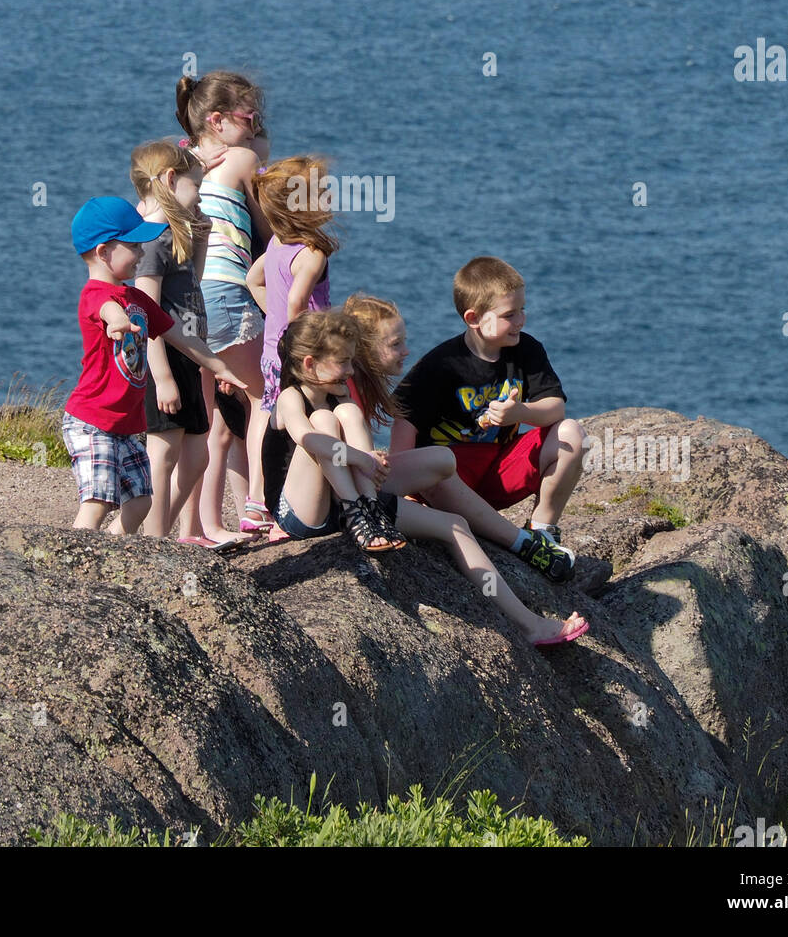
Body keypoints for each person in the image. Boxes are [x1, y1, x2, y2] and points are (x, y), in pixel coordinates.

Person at [266, 310, 588, 648]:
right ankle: (360, 509)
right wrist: (361, 458)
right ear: (308, 364)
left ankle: (529, 624)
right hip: (302, 512)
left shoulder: (341, 395)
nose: (349, 371)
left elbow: (356, 437)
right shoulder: (291, 398)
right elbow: (307, 439)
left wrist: (371, 466)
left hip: (347, 502)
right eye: (343, 363)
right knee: (324, 423)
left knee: (453, 518)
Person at [389, 257, 585, 583]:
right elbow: (404, 417)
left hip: (497, 471)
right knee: (437, 465)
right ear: (474, 318)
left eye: (523, 310)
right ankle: (521, 545)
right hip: (449, 482)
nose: (521, 320)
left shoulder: (526, 350)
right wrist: (404, 490)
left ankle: (542, 531)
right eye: (510, 315)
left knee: (572, 434)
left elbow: (555, 409)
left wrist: (521, 412)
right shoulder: (443, 365)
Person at [62, 195, 245, 535]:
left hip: (125, 425)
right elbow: (107, 310)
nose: (142, 252)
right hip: (92, 421)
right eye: (133, 245)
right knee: (98, 501)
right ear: (104, 252)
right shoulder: (97, 295)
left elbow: (179, 335)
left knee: (141, 502)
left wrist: (217, 365)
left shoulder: (137, 298)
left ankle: (115, 554)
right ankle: (74, 563)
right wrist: (117, 322)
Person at [129, 139, 247, 548]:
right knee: (163, 455)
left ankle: (153, 534)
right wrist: (161, 376)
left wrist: (201, 236)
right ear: (170, 180)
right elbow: (143, 313)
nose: (199, 196)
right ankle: (154, 539)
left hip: (189, 352)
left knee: (195, 455)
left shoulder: (174, 235)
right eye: (196, 186)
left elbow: (193, 282)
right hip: (162, 358)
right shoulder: (149, 242)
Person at [176, 71, 272, 533]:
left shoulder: (180, 162)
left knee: (210, 420)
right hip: (227, 292)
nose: (255, 127)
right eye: (250, 117)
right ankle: (258, 503)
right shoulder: (240, 158)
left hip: (187, 297)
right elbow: (269, 227)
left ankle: (199, 526)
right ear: (217, 120)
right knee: (264, 397)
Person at [247, 155, 336, 412]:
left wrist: (276, 314)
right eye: (322, 193)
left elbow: (253, 280)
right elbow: (297, 301)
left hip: (273, 353)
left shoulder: (277, 243)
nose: (329, 198)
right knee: (318, 415)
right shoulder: (312, 254)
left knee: (276, 415)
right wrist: (301, 348)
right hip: (305, 358)